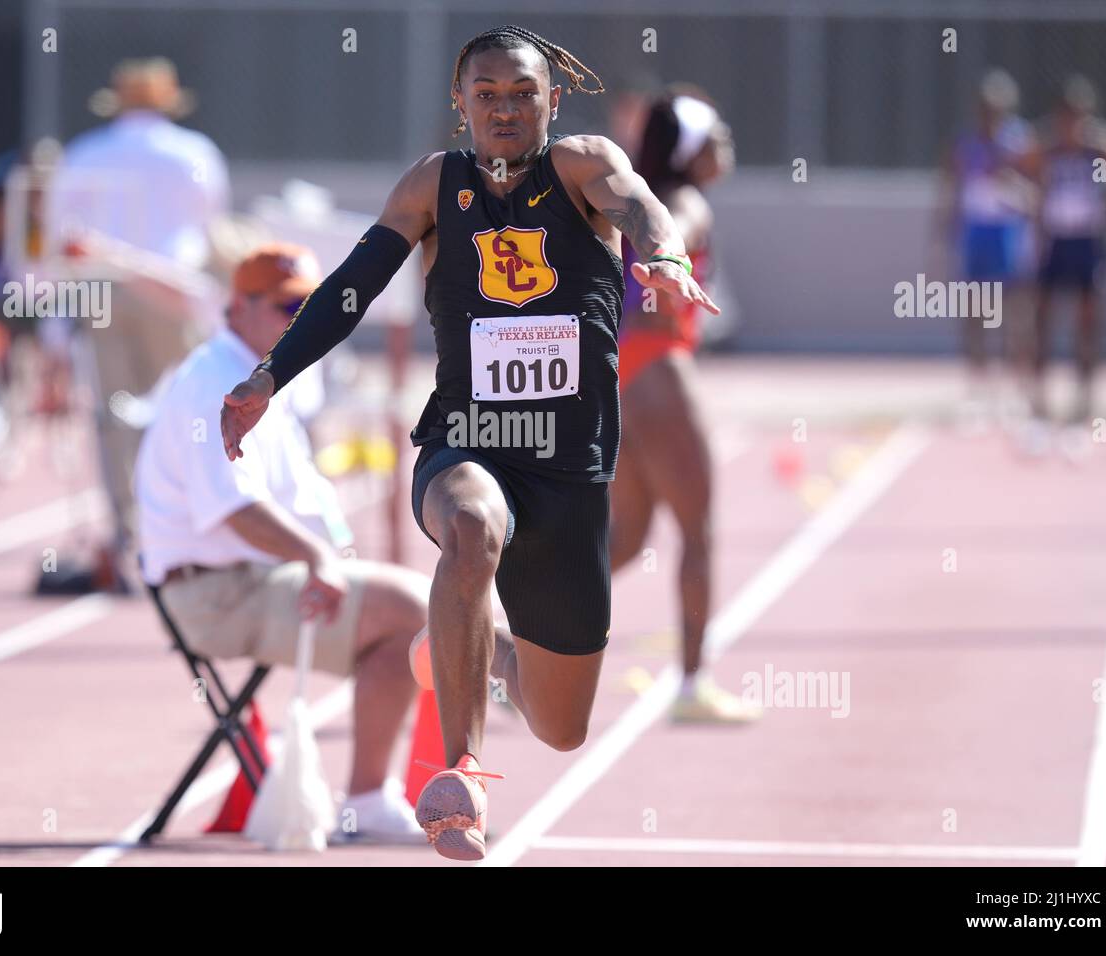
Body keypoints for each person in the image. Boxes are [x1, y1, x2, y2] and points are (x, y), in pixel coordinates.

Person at [221, 25, 718, 860]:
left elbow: (641, 201)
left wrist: (661, 253)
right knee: (471, 527)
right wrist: (270, 377)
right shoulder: (432, 185)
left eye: (523, 93)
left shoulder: (582, 166)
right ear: (461, 106)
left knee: (562, 728)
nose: (504, 109)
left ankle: (475, 651)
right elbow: (351, 288)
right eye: (485, 94)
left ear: (552, 101)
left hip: (569, 473)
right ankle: (460, 775)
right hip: (468, 442)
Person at [136, 244, 437, 844]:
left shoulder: (262, 375)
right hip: (214, 594)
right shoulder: (213, 384)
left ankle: (373, 798)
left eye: (310, 306)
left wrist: (338, 553)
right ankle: (376, 796)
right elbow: (234, 509)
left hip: (246, 578)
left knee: (419, 613)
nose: (301, 318)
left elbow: (300, 496)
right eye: (288, 306)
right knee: (417, 611)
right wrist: (321, 559)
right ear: (238, 308)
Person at [43, 58, 230, 588]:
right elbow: (210, 230)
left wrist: (56, 320)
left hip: (102, 289)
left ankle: (130, 537)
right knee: (185, 410)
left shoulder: (84, 154)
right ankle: (188, 533)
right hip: (172, 290)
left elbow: (62, 242)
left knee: (115, 419)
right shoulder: (194, 154)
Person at [610, 89, 758, 724]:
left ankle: (504, 630)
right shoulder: (685, 202)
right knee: (697, 531)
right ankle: (693, 685)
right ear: (692, 151)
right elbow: (675, 234)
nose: (727, 145)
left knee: (625, 537)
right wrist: (668, 264)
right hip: (660, 368)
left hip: (624, 374)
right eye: (718, 136)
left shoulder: (647, 198)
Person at [1026, 75, 1106, 446]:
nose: (1072, 123)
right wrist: (1035, 206)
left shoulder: (1101, 149)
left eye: (1080, 116)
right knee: (1041, 322)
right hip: (1056, 243)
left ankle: (1083, 407)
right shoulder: (1048, 147)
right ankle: (1040, 406)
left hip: (1088, 244)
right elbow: (1019, 168)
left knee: (1087, 326)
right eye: (1067, 115)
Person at [937, 70, 1036, 426]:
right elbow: (950, 190)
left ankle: (1015, 394)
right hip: (976, 234)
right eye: (984, 108)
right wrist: (944, 232)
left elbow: (1036, 191)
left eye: (997, 109)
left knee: (1015, 316)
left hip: (1008, 233)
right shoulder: (965, 144)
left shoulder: (1022, 142)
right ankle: (978, 393)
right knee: (975, 315)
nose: (990, 115)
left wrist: (1016, 188)